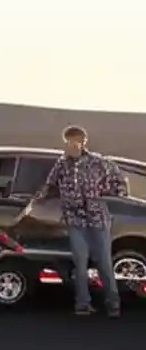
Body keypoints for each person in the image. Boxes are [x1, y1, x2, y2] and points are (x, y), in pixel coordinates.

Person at [32, 125, 128, 316]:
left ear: (83, 142)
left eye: (74, 141)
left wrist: (114, 196)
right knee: (80, 263)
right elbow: (50, 185)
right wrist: (37, 201)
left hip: (98, 220)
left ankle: (113, 304)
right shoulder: (62, 164)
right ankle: (83, 304)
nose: (70, 145)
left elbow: (120, 181)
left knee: (104, 262)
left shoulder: (99, 162)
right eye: (67, 142)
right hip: (76, 221)